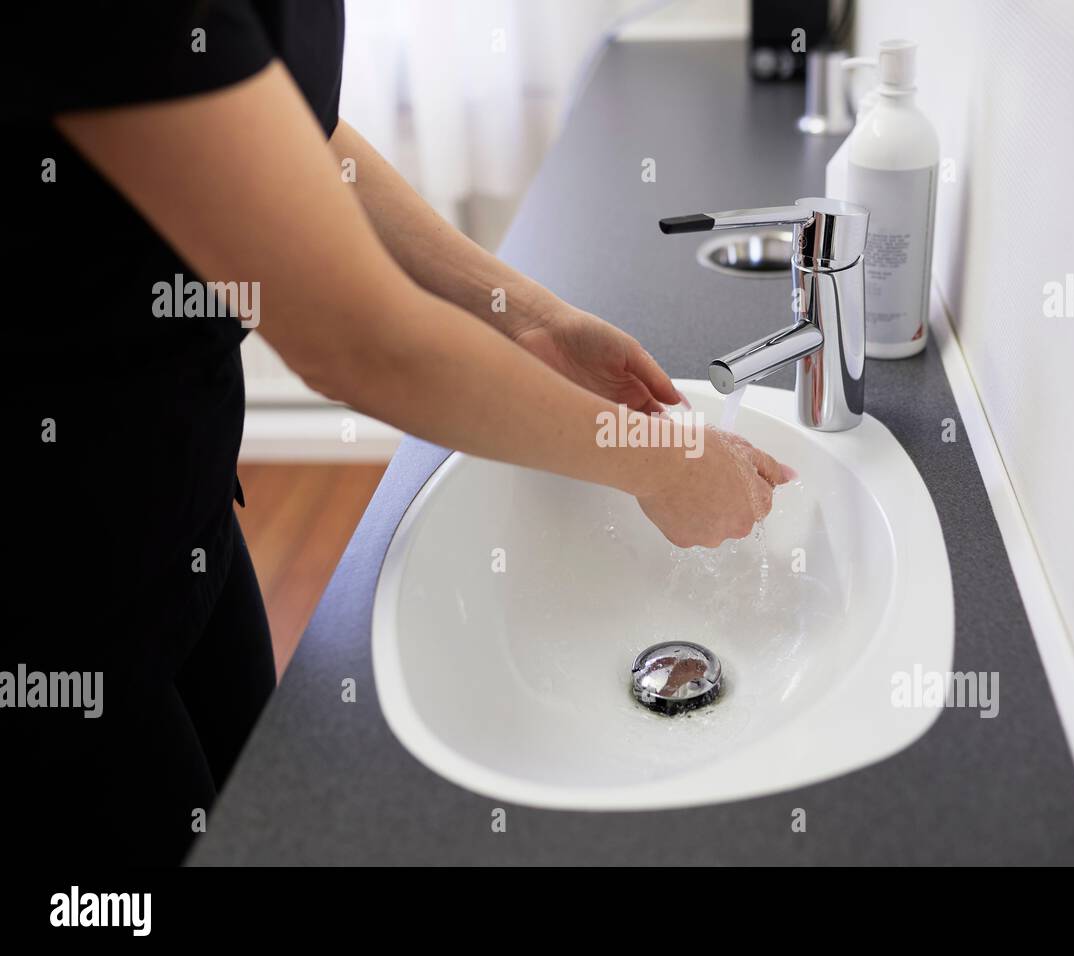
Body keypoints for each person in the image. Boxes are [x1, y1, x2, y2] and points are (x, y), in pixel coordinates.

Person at [5, 2, 791, 864]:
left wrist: (531, 318)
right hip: (41, 579)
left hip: (171, 486)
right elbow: (361, 343)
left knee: (247, 819)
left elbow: (296, 139)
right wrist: (659, 465)